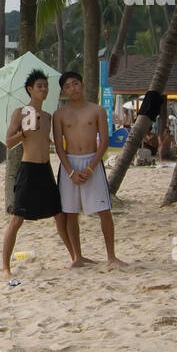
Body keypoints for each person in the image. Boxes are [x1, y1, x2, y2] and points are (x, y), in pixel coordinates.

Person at [53, 71, 125, 268]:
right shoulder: (59, 114)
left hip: (92, 162)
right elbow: (59, 146)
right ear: (64, 91)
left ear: (82, 84)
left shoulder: (97, 110)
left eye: (75, 84)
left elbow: (104, 141)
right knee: (70, 213)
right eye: (67, 86)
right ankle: (77, 256)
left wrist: (91, 168)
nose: (72, 88)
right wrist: (70, 171)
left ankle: (111, 256)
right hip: (69, 163)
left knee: (104, 211)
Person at [1, 71, 65, 279]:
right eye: (39, 86)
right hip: (28, 169)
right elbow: (8, 142)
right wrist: (24, 134)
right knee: (17, 219)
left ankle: (75, 257)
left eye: (46, 86)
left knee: (59, 214)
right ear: (30, 89)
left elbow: (51, 141)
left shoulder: (47, 116)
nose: (44, 90)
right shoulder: (20, 113)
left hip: (45, 169)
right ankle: (5, 266)